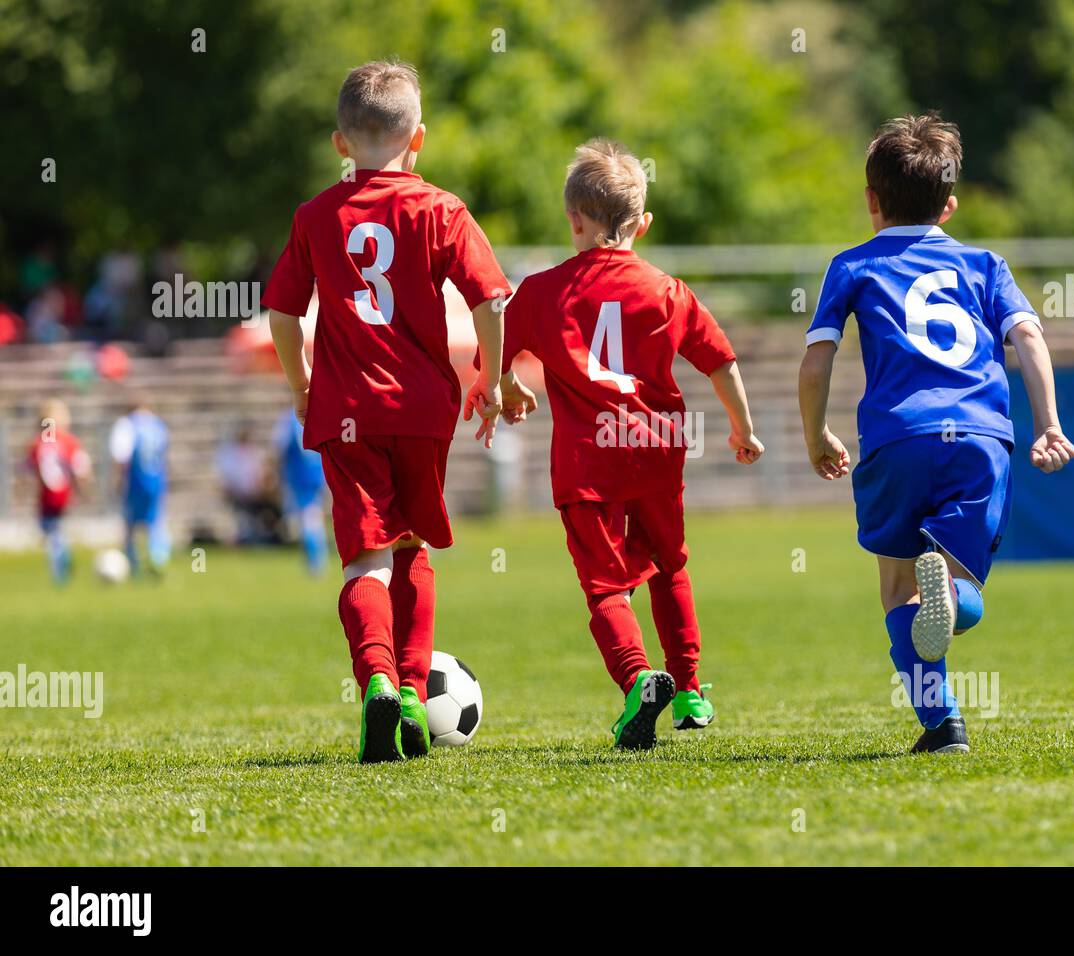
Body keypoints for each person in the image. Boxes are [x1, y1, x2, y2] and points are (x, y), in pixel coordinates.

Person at [797, 114, 1074, 754]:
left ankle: (943, 723)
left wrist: (816, 436)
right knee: (958, 589)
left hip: (897, 439)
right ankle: (954, 600)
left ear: (871, 199)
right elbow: (1028, 337)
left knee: (898, 589)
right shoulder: (985, 264)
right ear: (949, 205)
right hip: (979, 438)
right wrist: (1049, 424)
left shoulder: (851, 266)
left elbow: (816, 364)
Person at [263, 60, 510, 763]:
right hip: (425, 407)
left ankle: (373, 678)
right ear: (419, 138)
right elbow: (493, 299)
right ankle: (409, 689)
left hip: (346, 409)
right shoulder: (441, 208)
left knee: (363, 561)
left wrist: (303, 386)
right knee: (413, 549)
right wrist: (488, 380)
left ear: (340, 142)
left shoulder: (315, 216)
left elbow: (281, 310)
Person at [495, 139, 764, 750]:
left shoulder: (540, 292)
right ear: (642, 224)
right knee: (671, 567)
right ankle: (691, 689)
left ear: (574, 219)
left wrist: (507, 389)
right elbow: (720, 362)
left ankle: (639, 679)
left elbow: (496, 350)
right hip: (655, 448)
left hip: (587, 464)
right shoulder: (667, 290)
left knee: (606, 586)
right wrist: (742, 428)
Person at [25, 400, 92, 585]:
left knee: (52, 531)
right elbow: (79, 466)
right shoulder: (67, 441)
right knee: (54, 530)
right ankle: (63, 560)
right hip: (61, 493)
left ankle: (60, 568)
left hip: (48, 495)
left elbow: (30, 467)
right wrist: (83, 489)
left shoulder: (38, 442)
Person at [110, 396, 171, 575]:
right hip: (156, 480)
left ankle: (132, 561)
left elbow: (121, 456)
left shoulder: (127, 425)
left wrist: (119, 480)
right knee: (155, 521)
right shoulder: (158, 424)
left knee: (130, 523)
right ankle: (158, 558)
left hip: (135, 481)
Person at [273, 408, 328, 575]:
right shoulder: (319, 415)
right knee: (312, 517)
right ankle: (316, 559)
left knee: (308, 519)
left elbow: (280, 448)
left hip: (299, 476)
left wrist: (279, 472)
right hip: (318, 474)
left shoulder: (290, 419)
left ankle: (315, 561)